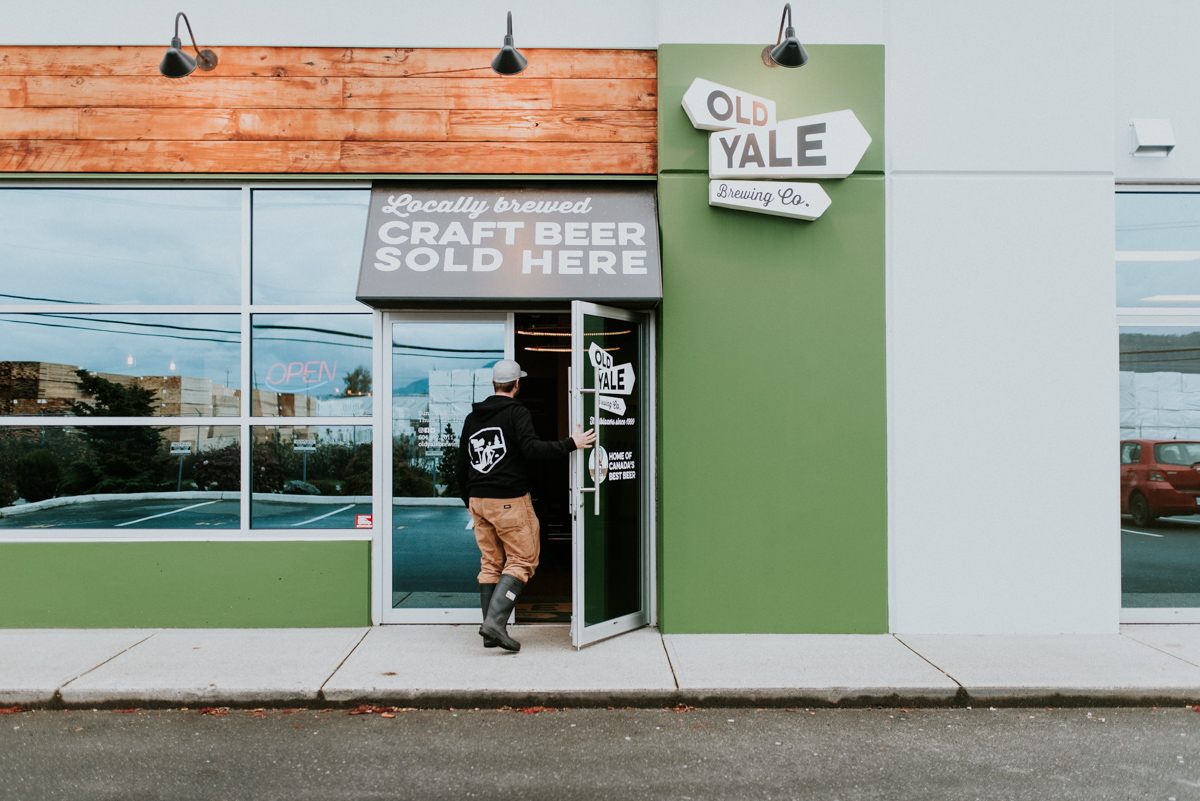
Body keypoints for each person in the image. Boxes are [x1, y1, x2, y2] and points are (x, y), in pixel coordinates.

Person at [456, 358, 596, 652]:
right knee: (522, 559)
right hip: (509, 500)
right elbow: (532, 449)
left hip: (478, 500)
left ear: (493, 384)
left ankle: (491, 631)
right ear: (517, 384)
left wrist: (468, 498)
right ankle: (494, 624)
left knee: (491, 563)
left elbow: (461, 462)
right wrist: (572, 443)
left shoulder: (473, 418)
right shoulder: (516, 412)